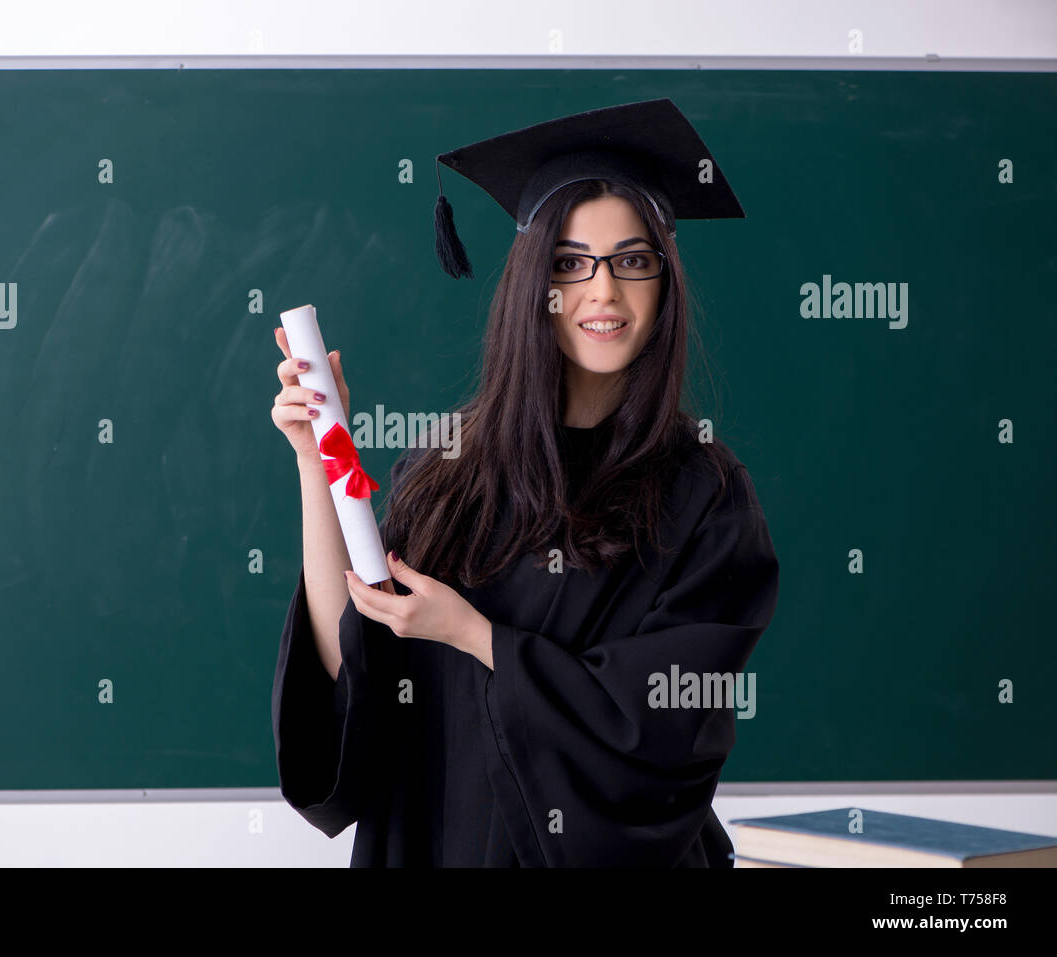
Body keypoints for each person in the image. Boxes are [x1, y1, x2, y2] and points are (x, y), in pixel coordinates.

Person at [269, 98, 780, 866]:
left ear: (664, 283)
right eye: (570, 264)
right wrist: (315, 463)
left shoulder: (703, 494)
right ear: (531, 284)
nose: (602, 292)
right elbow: (355, 670)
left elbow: (668, 736)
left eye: (632, 260)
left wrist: (476, 637)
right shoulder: (448, 466)